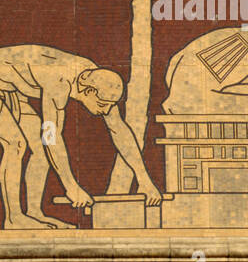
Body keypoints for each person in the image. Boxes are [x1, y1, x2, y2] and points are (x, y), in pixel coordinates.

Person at [0, 46, 161, 229]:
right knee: (16, 144)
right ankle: (13, 219)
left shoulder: (97, 79)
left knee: (41, 150)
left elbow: (120, 131)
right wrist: (71, 187)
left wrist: (144, 180)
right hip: (5, 84)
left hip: (13, 90)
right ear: (88, 91)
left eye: (110, 105)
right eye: (102, 104)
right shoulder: (59, 81)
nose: (106, 111)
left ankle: (34, 213)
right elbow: (51, 137)